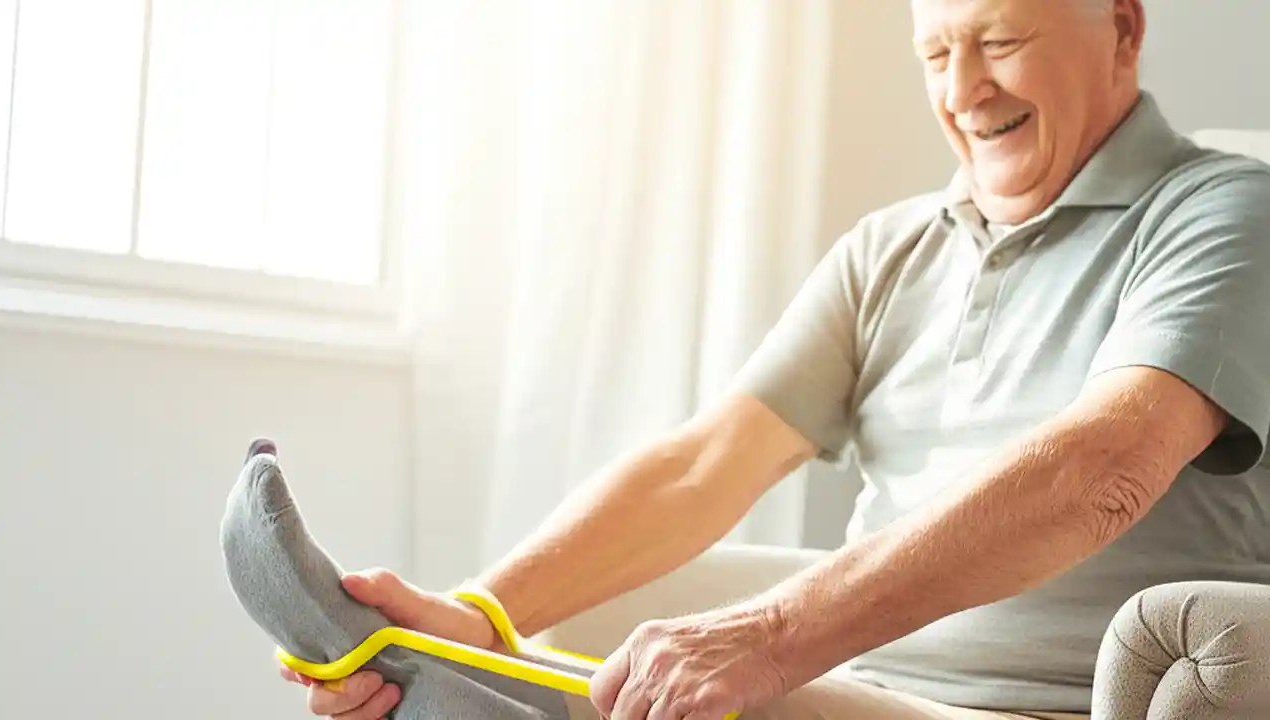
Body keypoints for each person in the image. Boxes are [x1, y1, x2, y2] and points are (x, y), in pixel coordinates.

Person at [282, 0, 1270, 717]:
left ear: (1122, 29)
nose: (963, 90)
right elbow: (706, 463)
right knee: (516, 667)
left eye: (1000, 41)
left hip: (1038, 705)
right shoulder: (891, 250)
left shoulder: (1223, 211)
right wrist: (482, 614)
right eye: (933, 53)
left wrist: (766, 637)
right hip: (863, 685)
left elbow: (1106, 465)